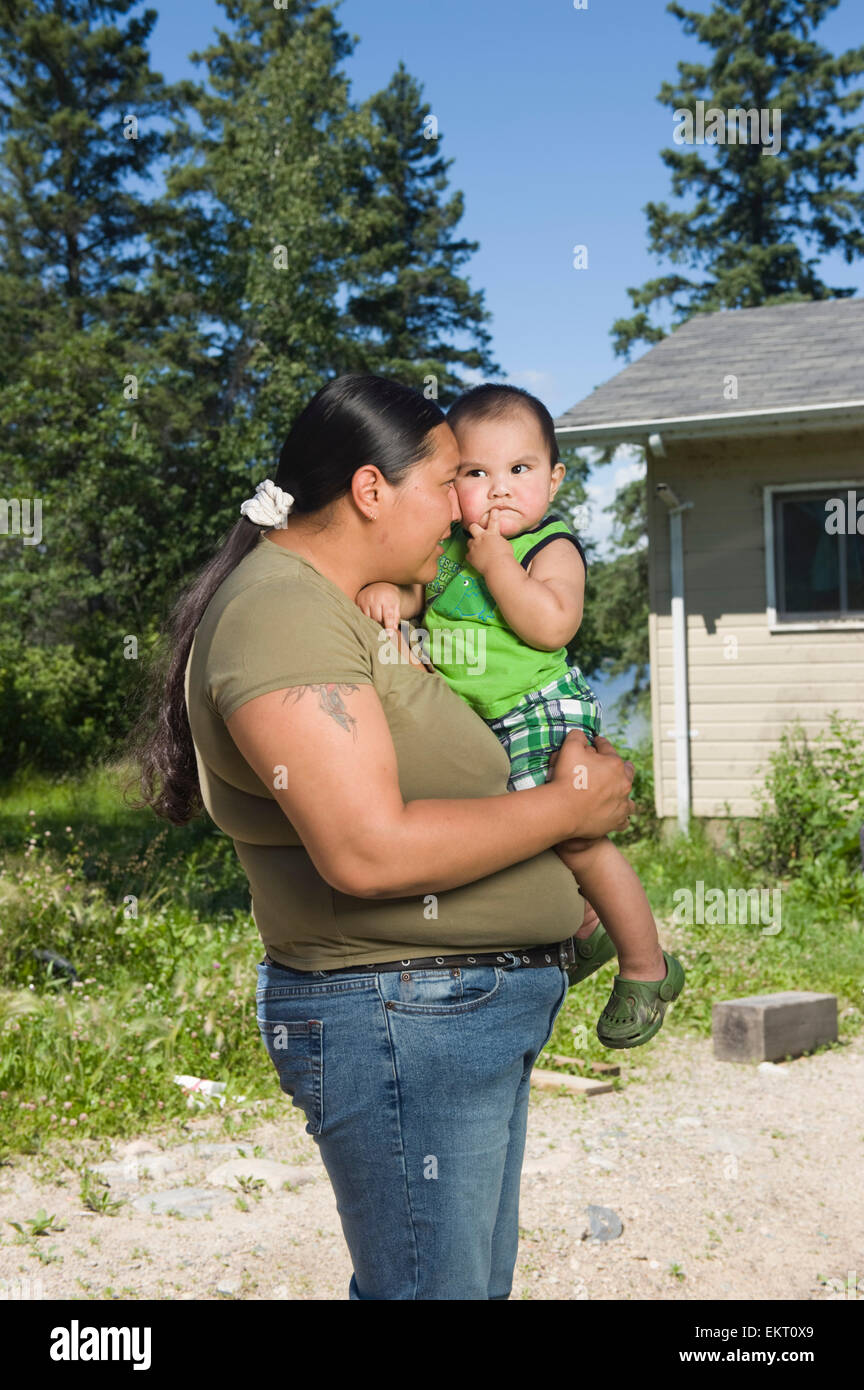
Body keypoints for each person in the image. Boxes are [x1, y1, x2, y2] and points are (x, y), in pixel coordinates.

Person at [131, 373, 635, 1301]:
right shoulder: (283, 613)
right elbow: (366, 851)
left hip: (446, 1015)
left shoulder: (348, 602)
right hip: (401, 1015)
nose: (463, 508)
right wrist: (573, 810)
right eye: (447, 482)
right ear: (371, 490)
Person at [357, 383, 684, 1049]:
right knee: (514, 836)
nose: (499, 489)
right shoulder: (446, 551)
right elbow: (417, 599)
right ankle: (586, 931)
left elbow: (551, 624)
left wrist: (501, 565)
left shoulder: (547, 544)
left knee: (576, 836)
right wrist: (385, 592)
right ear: (452, 485)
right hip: (483, 726)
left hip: (543, 708)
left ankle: (649, 967)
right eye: (476, 473)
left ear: (554, 480)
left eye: (519, 470)